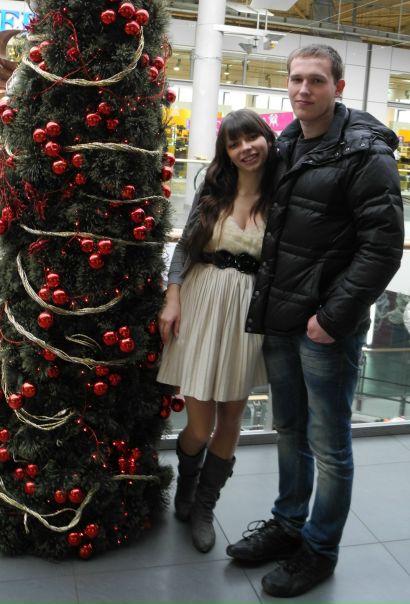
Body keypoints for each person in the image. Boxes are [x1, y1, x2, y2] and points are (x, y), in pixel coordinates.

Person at [226, 44, 404, 597]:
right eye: (296, 79)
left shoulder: (366, 154)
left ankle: (319, 549)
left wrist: (333, 316)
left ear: (339, 87)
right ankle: (287, 523)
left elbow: (382, 248)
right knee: (289, 430)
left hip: (325, 327)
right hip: (281, 318)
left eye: (317, 81)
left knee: (329, 445)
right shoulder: (285, 145)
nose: (304, 89)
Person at [157, 109, 275, 553]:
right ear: (226, 152)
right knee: (200, 422)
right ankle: (187, 487)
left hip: (247, 312)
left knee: (231, 419)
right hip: (201, 302)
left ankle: (204, 507)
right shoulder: (213, 189)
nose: (245, 148)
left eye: (252, 138)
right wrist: (172, 297)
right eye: (234, 142)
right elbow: (184, 250)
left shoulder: (281, 197)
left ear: (267, 139)